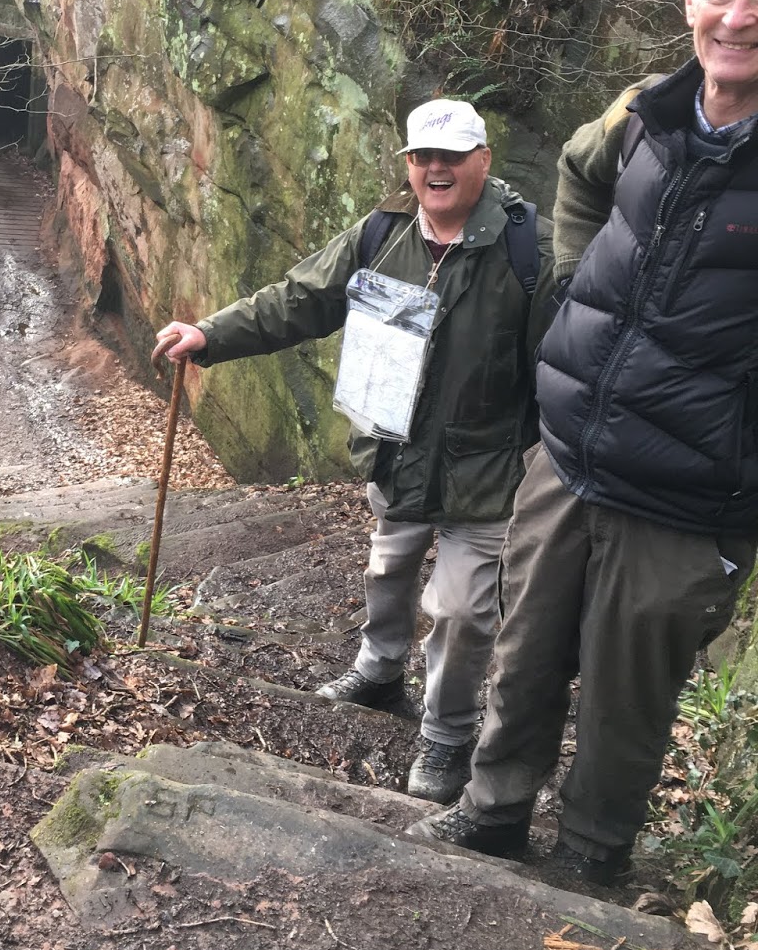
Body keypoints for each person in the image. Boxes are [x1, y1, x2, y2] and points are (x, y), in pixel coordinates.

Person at [408, 0, 758, 883]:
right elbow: (575, 169)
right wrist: (571, 293)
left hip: (690, 498)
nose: (738, 19)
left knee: (624, 694)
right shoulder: (648, 110)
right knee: (523, 650)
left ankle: (593, 866)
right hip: (569, 452)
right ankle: (493, 813)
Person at [154, 100, 555, 805]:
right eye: (423, 157)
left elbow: (563, 365)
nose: (437, 169)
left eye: (453, 156)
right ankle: (378, 668)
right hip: (396, 452)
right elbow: (299, 298)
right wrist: (209, 335)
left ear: (483, 161)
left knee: (462, 611)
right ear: (407, 164)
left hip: (489, 469)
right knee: (389, 567)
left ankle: (446, 733)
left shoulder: (529, 252)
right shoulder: (380, 234)